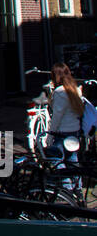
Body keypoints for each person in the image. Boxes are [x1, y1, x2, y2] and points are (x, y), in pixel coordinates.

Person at [47, 63, 84, 191]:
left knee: (57, 161)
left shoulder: (60, 92)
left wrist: (50, 134)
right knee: (73, 160)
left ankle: (67, 189)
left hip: (62, 132)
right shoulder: (75, 89)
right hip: (74, 131)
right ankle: (77, 188)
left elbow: (57, 115)